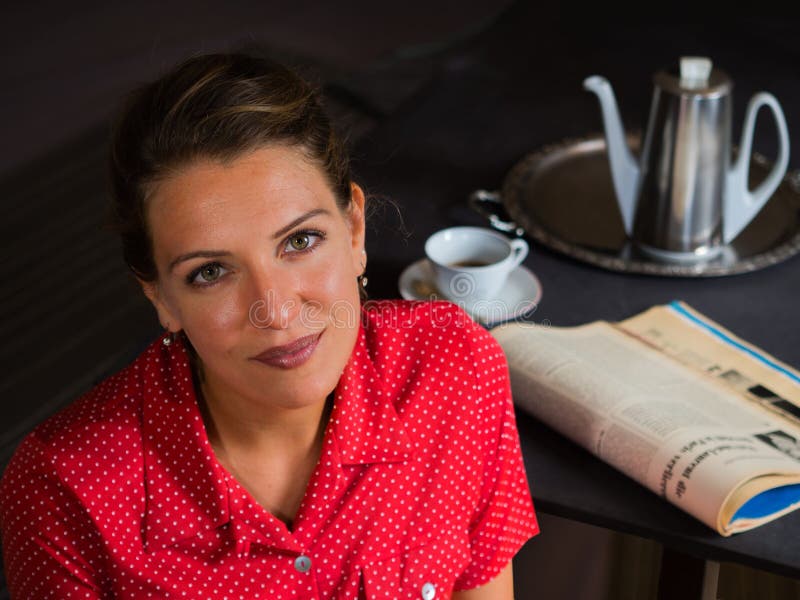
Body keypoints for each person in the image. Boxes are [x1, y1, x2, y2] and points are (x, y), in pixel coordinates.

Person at [0, 53, 538, 599]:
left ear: (354, 230)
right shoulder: (63, 490)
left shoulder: (454, 366)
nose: (277, 313)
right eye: (211, 272)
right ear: (160, 295)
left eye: (300, 241)